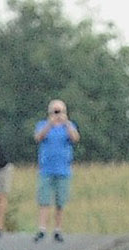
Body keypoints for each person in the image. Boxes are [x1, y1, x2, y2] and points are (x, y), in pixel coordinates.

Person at [33, 99, 79, 242]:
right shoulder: (42, 125)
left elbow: (75, 138)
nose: (58, 114)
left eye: (60, 111)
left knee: (60, 202)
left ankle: (58, 229)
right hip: (46, 169)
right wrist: (50, 123)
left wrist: (66, 123)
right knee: (44, 201)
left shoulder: (69, 126)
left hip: (63, 169)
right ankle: (42, 229)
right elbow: (38, 137)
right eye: (55, 111)